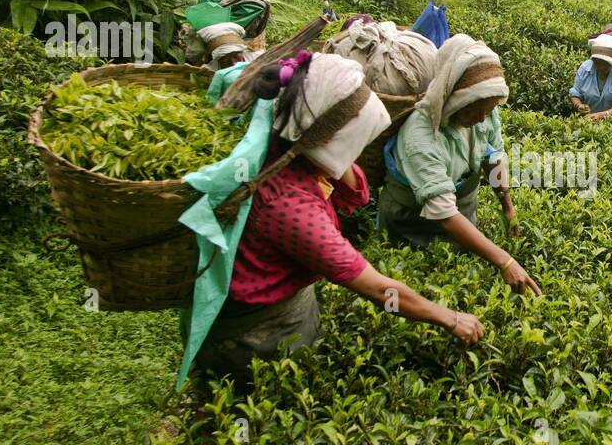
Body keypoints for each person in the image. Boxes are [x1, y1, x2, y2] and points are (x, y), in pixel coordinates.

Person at [185, 50, 485, 390]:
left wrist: (330, 154)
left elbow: (356, 193)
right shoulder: (290, 206)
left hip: (290, 308)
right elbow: (376, 289)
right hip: (252, 337)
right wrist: (448, 317)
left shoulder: (287, 151)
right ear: (331, 137)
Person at [379, 35, 542, 296]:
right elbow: (442, 213)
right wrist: (505, 261)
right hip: (411, 224)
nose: (480, 119)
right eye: (473, 110)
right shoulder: (420, 135)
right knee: (421, 283)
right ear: (454, 96)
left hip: (462, 213)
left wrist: (507, 206)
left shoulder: (484, 111)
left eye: (487, 111)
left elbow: (493, 155)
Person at [569, 33, 612, 124]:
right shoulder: (585, 68)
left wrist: (600, 116)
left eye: (605, 63)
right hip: (592, 123)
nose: (601, 67)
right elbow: (575, 93)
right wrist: (579, 105)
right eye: (597, 63)